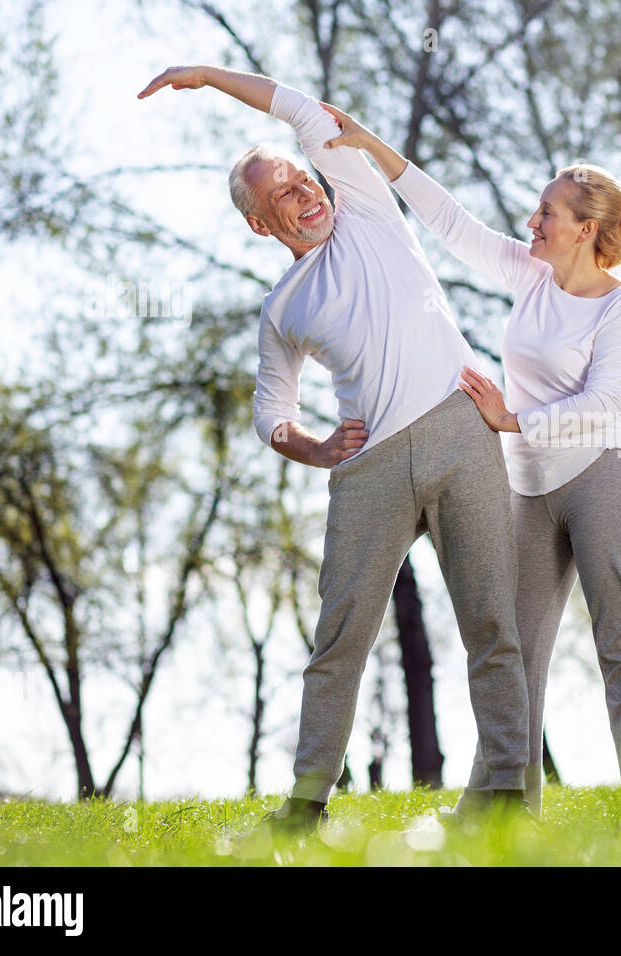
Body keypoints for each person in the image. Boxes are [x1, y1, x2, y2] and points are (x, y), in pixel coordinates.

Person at [137, 65, 531, 830]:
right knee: (340, 637)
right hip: (368, 470)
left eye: (301, 178)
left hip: (459, 431)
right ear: (261, 223)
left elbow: (300, 108)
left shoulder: (367, 207)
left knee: (492, 620)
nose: (304, 192)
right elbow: (269, 411)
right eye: (281, 192)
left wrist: (206, 78)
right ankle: (306, 803)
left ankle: (506, 797)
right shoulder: (282, 308)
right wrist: (313, 447)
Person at [320, 102, 621, 829]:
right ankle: (501, 809)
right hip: (532, 485)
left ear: (586, 227)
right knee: (510, 652)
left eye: (547, 211)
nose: (532, 221)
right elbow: (450, 222)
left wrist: (510, 417)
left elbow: (607, 399)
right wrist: (373, 147)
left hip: (607, 472)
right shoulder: (530, 274)